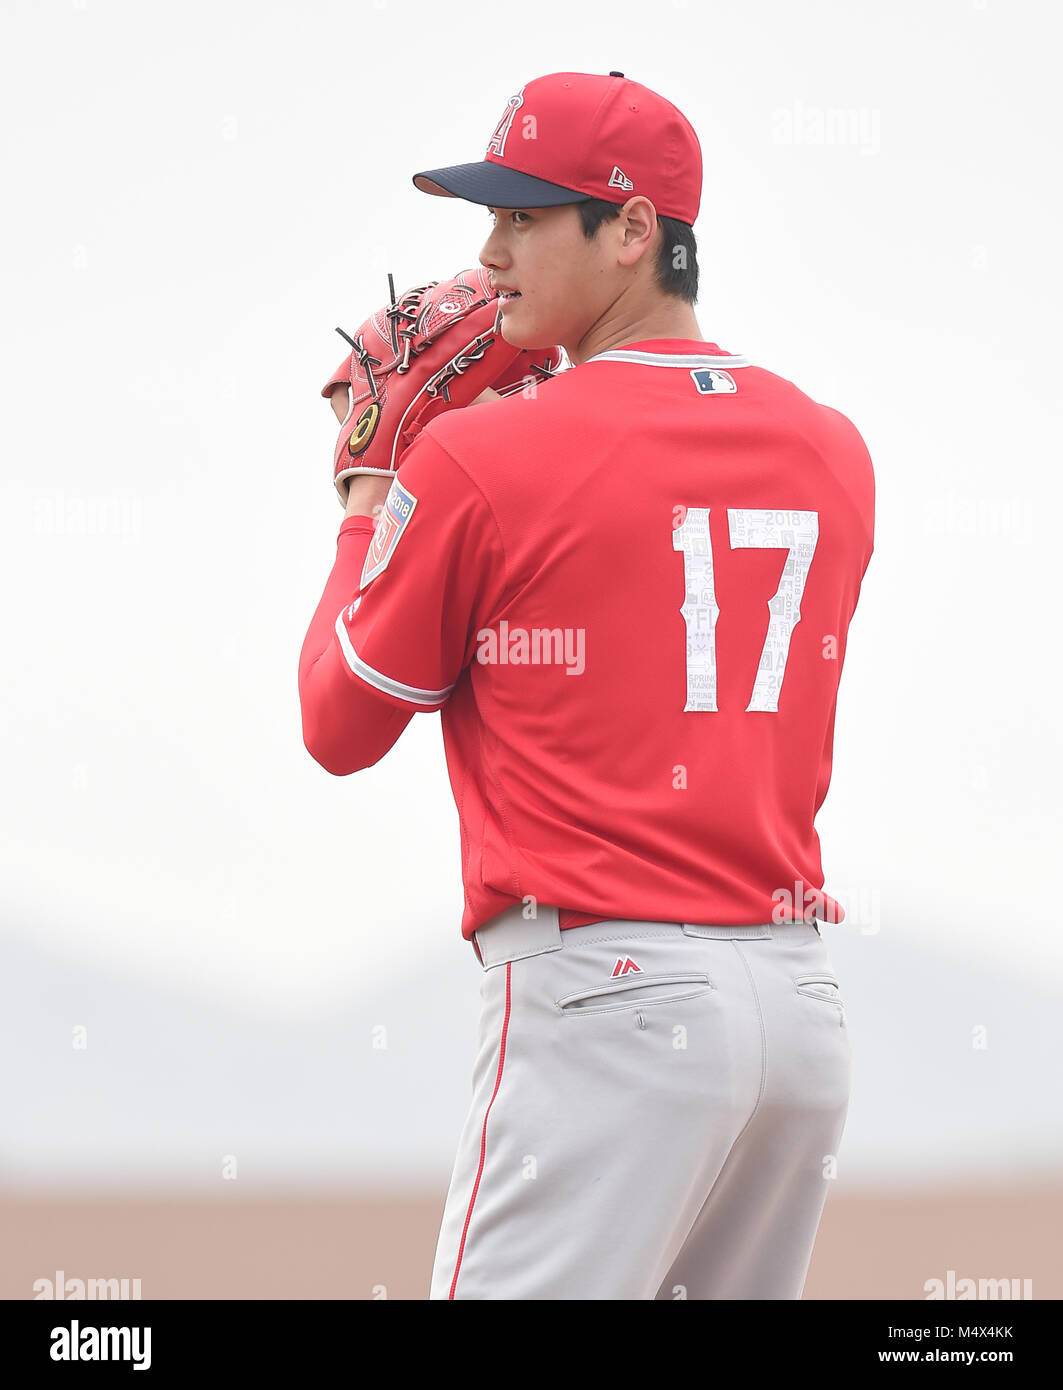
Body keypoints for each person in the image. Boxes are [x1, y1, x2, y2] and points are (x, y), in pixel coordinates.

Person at [298, 70, 875, 1300]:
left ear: (633, 233)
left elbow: (338, 722)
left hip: (606, 1000)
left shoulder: (479, 455)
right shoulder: (832, 446)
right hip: (797, 1008)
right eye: (488, 216)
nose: (489, 252)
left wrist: (371, 491)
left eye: (526, 216)